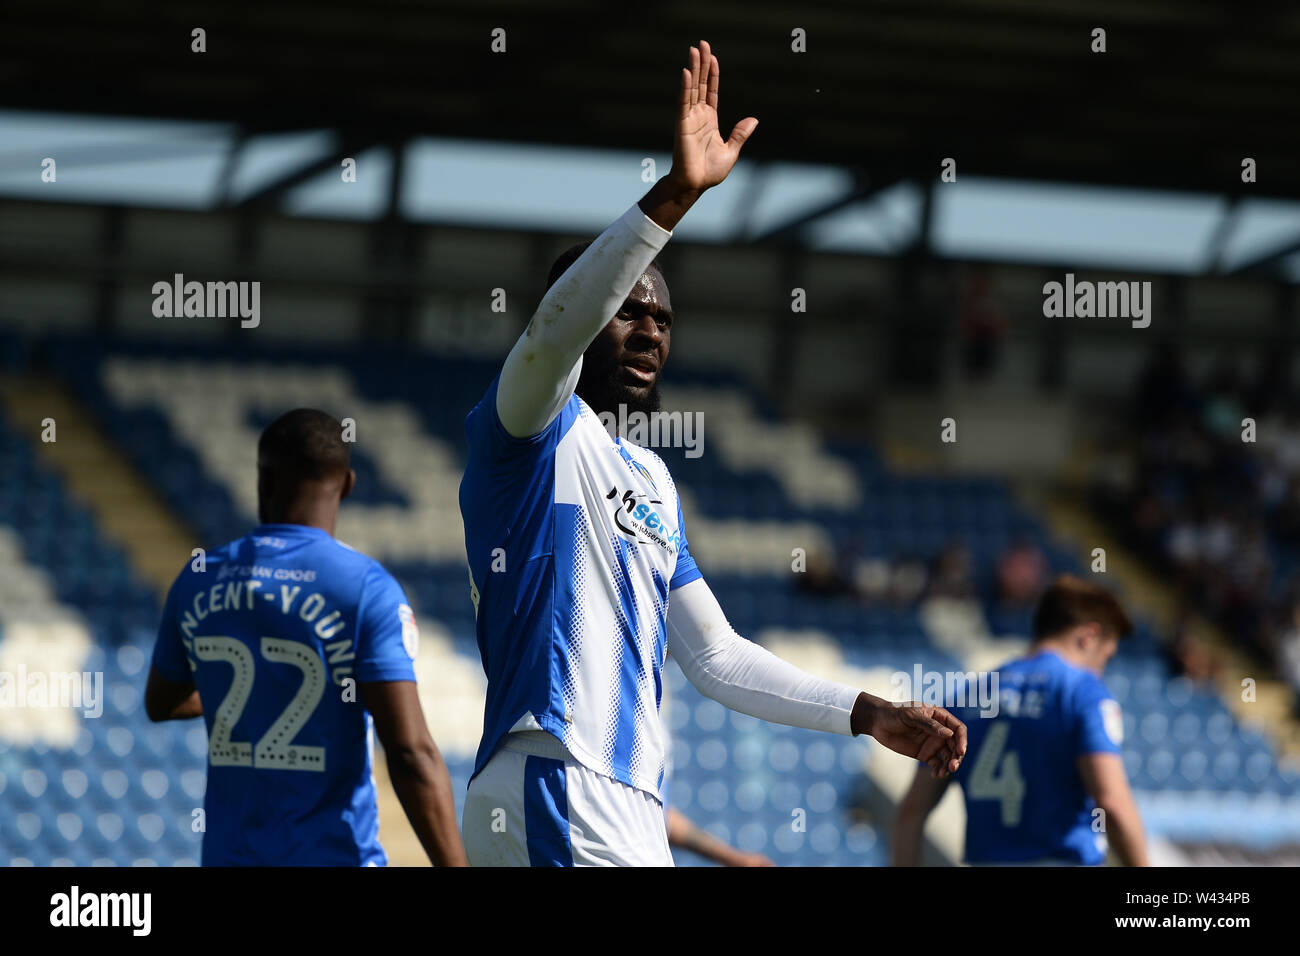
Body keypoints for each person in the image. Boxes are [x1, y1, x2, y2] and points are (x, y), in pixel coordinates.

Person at [458, 40, 966, 867]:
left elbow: (717, 657)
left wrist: (869, 712)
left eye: (663, 318)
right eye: (629, 308)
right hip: (554, 782)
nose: (651, 326)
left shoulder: (651, 478)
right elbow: (554, 334)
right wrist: (675, 198)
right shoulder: (527, 431)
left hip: (630, 805)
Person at [145, 408, 467, 866]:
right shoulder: (364, 588)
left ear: (263, 482)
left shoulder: (199, 577)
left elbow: (161, 702)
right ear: (349, 485)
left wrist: (256, 699)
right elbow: (410, 751)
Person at [891, 575, 1148, 866]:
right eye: (1106, 657)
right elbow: (1112, 804)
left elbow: (911, 813)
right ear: (1088, 636)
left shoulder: (964, 699)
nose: (1102, 669)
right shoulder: (1082, 692)